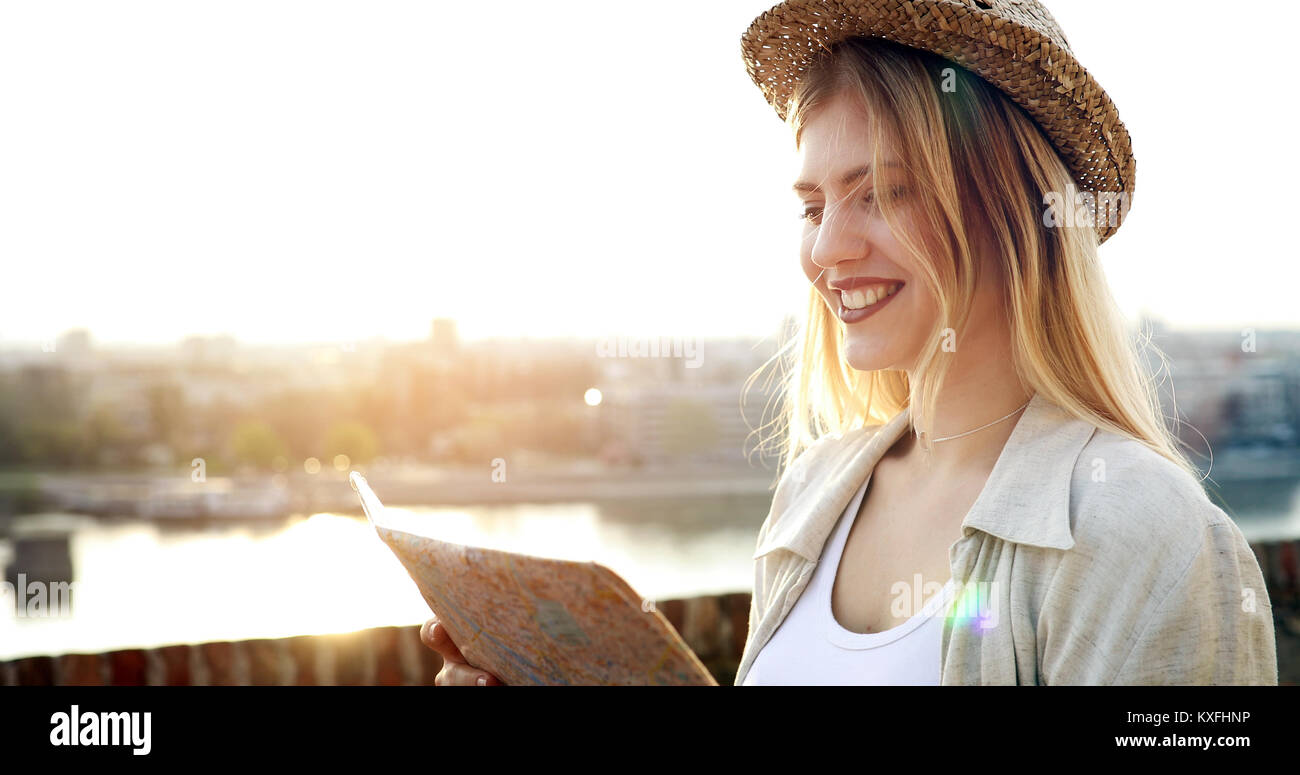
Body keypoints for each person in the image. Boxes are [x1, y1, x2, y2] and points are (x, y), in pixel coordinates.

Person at [424, 0, 1279, 685]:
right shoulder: (813, 496)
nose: (828, 247)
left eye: (884, 192)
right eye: (812, 204)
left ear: (1018, 213)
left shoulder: (1145, 534)